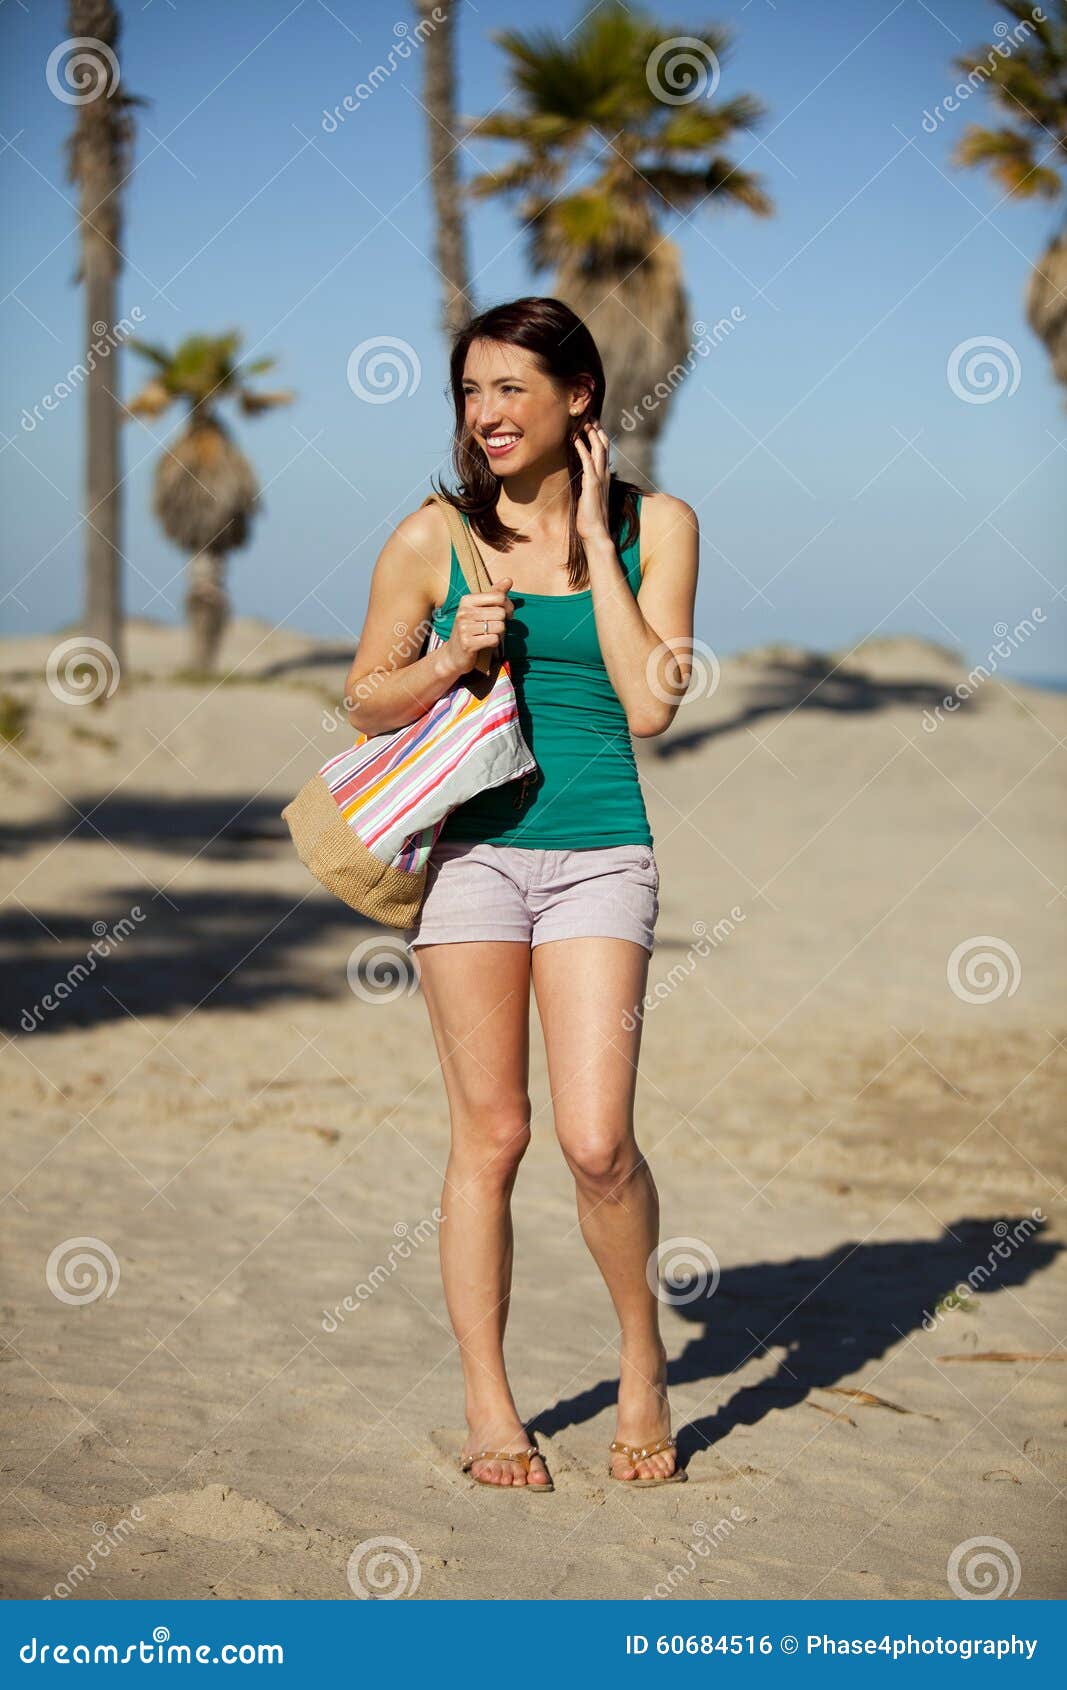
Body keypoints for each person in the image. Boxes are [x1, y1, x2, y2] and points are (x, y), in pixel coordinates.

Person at [344, 297, 699, 1490]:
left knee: (597, 1143)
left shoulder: (662, 527)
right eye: (469, 392)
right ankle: (490, 1402)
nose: (484, 414)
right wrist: (451, 655)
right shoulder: (429, 539)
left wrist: (597, 542)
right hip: (473, 859)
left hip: (601, 848)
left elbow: (652, 702)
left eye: (509, 389)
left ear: (579, 397)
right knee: (491, 1135)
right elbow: (364, 700)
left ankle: (640, 1353)